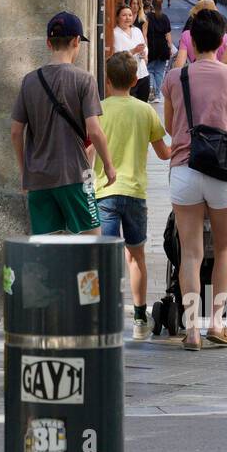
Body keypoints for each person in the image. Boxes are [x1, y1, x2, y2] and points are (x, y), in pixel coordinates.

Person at [162, 8, 227, 350]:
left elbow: (171, 127)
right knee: (226, 247)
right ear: (222, 41)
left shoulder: (174, 78)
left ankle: (192, 330)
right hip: (224, 172)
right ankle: (216, 321)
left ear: (193, 41)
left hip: (185, 167)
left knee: (190, 252)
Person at [12, 12, 116, 234]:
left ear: (49, 43)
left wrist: (24, 172)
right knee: (93, 241)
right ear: (76, 41)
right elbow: (95, 131)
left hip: (39, 179)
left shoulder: (29, 81)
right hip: (76, 175)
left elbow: (15, 132)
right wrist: (108, 165)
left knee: (47, 248)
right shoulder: (84, 79)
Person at [95, 52, 171, 339]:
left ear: (108, 80)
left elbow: (88, 150)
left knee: (105, 258)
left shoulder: (99, 111)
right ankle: (140, 320)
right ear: (135, 79)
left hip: (105, 191)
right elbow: (164, 153)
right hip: (136, 193)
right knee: (135, 256)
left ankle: (105, 317)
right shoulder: (145, 111)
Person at [171, 0, 227, 69]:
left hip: (193, 76)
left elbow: (179, 65)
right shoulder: (225, 37)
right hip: (219, 76)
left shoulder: (187, 35)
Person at [111, 3, 150, 102]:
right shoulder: (115, 33)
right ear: (117, 18)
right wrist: (133, 51)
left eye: (130, 15)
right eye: (124, 15)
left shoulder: (137, 31)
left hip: (143, 73)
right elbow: (116, 56)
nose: (127, 18)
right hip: (127, 77)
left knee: (143, 104)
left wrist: (144, 53)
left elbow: (144, 47)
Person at [146, 0, 173, 102]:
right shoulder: (165, 17)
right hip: (163, 47)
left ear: (152, 4)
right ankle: (157, 95)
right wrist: (170, 47)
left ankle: (151, 90)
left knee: (149, 70)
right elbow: (168, 34)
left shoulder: (148, 17)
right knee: (159, 72)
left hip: (152, 46)